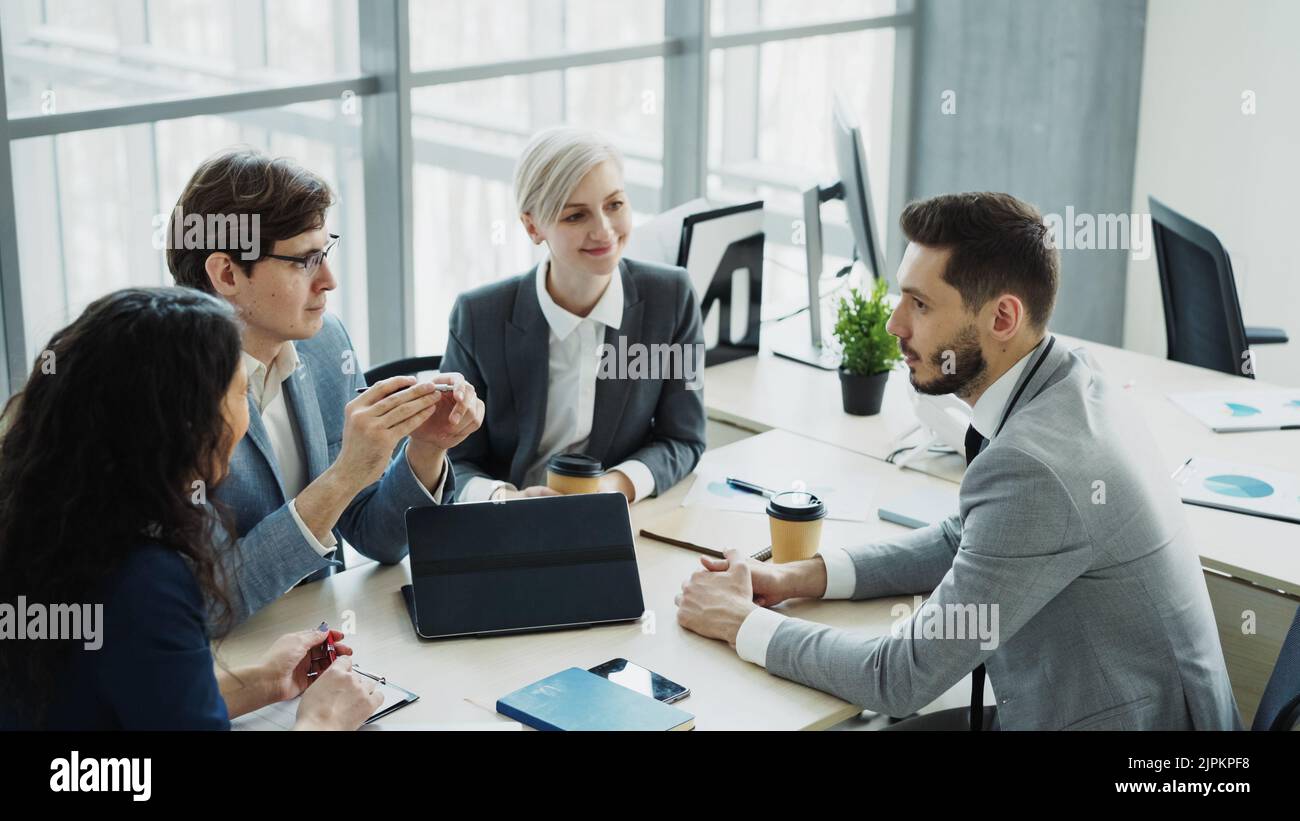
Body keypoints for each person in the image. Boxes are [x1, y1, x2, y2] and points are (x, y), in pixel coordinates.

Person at [676, 192, 1242, 731]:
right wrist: (796, 576)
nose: (896, 323)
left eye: (920, 304)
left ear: (1002, 318)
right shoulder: (1069, 373)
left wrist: (740, 622)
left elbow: (898, 678)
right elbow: (966, 538)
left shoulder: (1037, 468)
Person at [0, 288, 381, 730]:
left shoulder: (57, 526)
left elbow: (133, 692)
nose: (248, 418)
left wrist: (263, 681)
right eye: (241, 393)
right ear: (188, 422)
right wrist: (323, 721)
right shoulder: (149, 580)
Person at [167, 149, 484, 621]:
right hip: (226, 664)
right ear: (227, 273)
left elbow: (376, 538)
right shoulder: (163, 393)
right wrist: (344, 476)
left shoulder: (322, 343)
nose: (330, 281)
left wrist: (426, 450)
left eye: (326, 253)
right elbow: (212, 601)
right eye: (304, 262)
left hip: (323, 637)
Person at [441, 127, 706, 504]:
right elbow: (453, 457)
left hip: (617, 517)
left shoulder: (672, 297)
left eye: (614, 205)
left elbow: (684, 437)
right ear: (533, 226)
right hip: (509, 525)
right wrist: (504, 500)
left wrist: (613, 488)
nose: (603, 230)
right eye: (576, 216)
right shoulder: (478, 316)